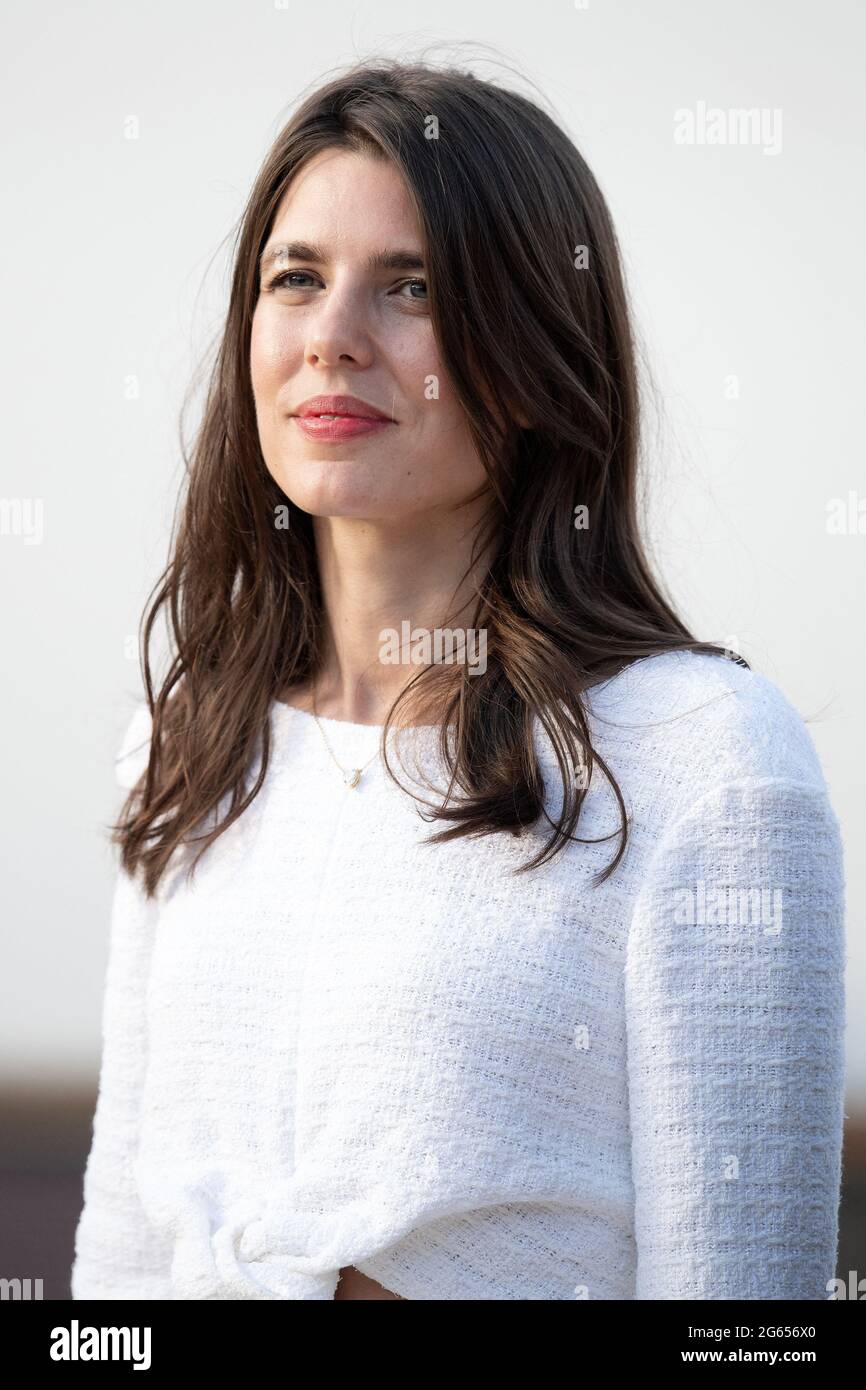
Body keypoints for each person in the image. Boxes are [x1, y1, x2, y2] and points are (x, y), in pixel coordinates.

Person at [71, 58, 845, 1301]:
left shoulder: (703, 756)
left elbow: (740, 1315)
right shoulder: (188, 735)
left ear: (536, 352)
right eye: (296, 279)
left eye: (411, 288)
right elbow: (117, 1242)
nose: (333, 338)